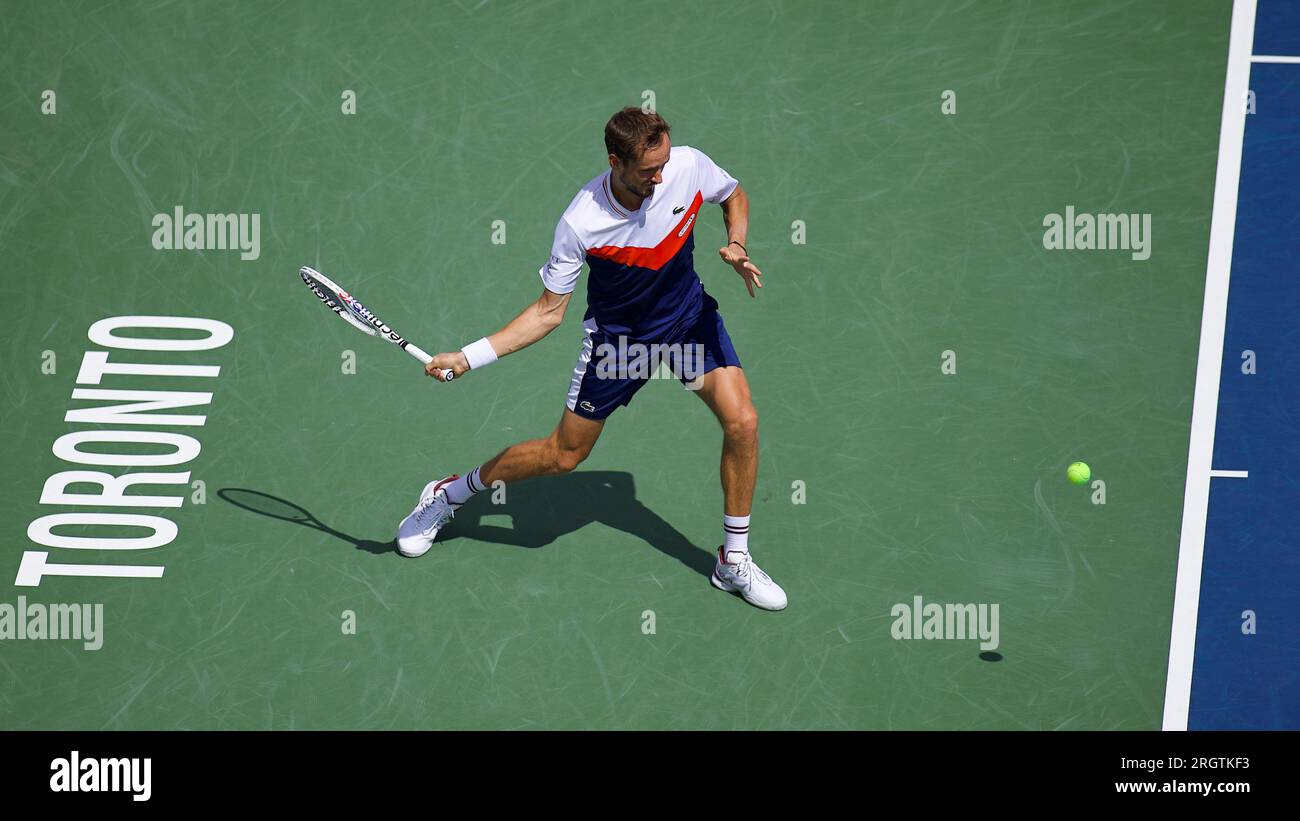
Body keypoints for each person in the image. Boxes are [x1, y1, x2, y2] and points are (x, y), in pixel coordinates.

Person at [397, 107, 786, 611]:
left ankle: (733, 561)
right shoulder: (581, 222)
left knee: (744, 423)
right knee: (563, 456)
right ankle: (450, 494)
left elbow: (733, 194)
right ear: (615, 162)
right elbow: (545, 313)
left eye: (664, 163)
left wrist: (736, 242)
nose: (661, 176)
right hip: (621, 347)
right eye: (648, 170)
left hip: (687, 324)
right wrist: (469, 358)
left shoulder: (686, 166)